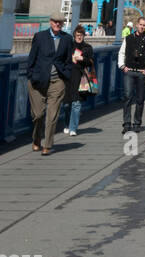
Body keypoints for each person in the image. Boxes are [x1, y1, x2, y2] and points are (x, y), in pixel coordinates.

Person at [26, 15, 74, 154]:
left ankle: (47, 145)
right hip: (38, 80)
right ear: (50, 22)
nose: (57, 24)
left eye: (60, 22)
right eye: (55, 22)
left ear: (63, 24)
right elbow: (32, 58)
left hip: (57, 81)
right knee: (38, 114)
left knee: (52, 115)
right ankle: (36, 139)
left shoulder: (66, 39)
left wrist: (66, 75)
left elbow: (68, 61)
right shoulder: (40, 37)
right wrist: (31, 75)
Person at [118, 15, 145, 133]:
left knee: (140, 99)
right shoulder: (128, 38)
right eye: (140, 25)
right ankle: (127, 124)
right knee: (127, 97)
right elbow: (121, 53)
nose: (142, 27)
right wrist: (122, 66)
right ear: (136, 25)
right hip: (129, 71)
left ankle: (137, 123)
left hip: (141, 72)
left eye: (144, 25)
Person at [63, 25, 96, 136]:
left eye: (81, 35)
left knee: (76, 104)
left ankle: (73, 128)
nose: (79, 37)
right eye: (77, 35)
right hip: (67, 78)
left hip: (80, 78)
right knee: (67, 104)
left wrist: (83, 59)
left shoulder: (87, 48)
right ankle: (67, 124)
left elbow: (91, 62)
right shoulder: (69, 46)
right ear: (74, 35)